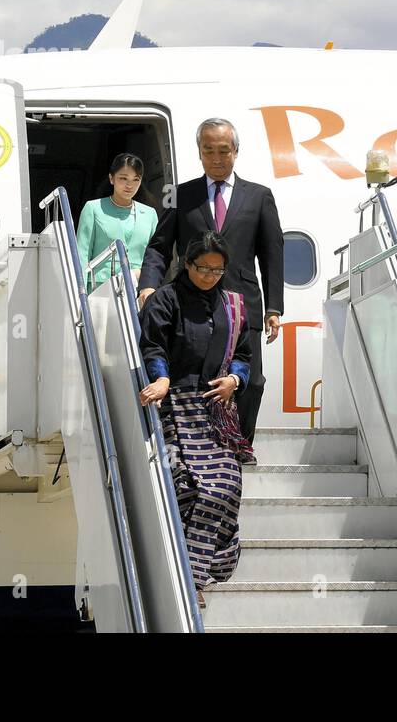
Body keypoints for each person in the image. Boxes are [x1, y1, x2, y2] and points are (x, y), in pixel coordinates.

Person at [138, 118, 283, 465]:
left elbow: (273, 252)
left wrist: (273, 307)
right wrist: (148, 285)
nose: (216, 158)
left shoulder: (259, 196)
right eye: (208, 151)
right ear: (199, 153)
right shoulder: (181, 194)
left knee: (252, 381)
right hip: (190, 304)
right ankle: (193, 448)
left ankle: (238, 446)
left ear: (236, 151)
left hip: (241, 304)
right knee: (192, 377)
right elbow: (160, 247)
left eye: (223, 151)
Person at [138, 232, 251, 608]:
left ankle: (196, 570)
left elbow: (245, 355)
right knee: (188, 486)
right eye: (203, 268)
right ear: (187, 264)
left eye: (217, 270)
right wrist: (162, 377)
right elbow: (153, 344)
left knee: (226, 488)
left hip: (215, 409)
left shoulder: (233, 304)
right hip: (175, 405)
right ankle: (192, 580)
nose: (210, 276)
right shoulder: (165, 300)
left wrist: (235, 379)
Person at [75, 153, 159, 288]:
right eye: (123, 178)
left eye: (135, 179)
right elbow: (82, 255)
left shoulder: (150, 214)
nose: (129, 185)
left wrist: (149, 285)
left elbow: (155, 257)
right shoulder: (93, 208)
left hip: (138, 288)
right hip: (100, 287)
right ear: (111, 178)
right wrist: (80, 295)